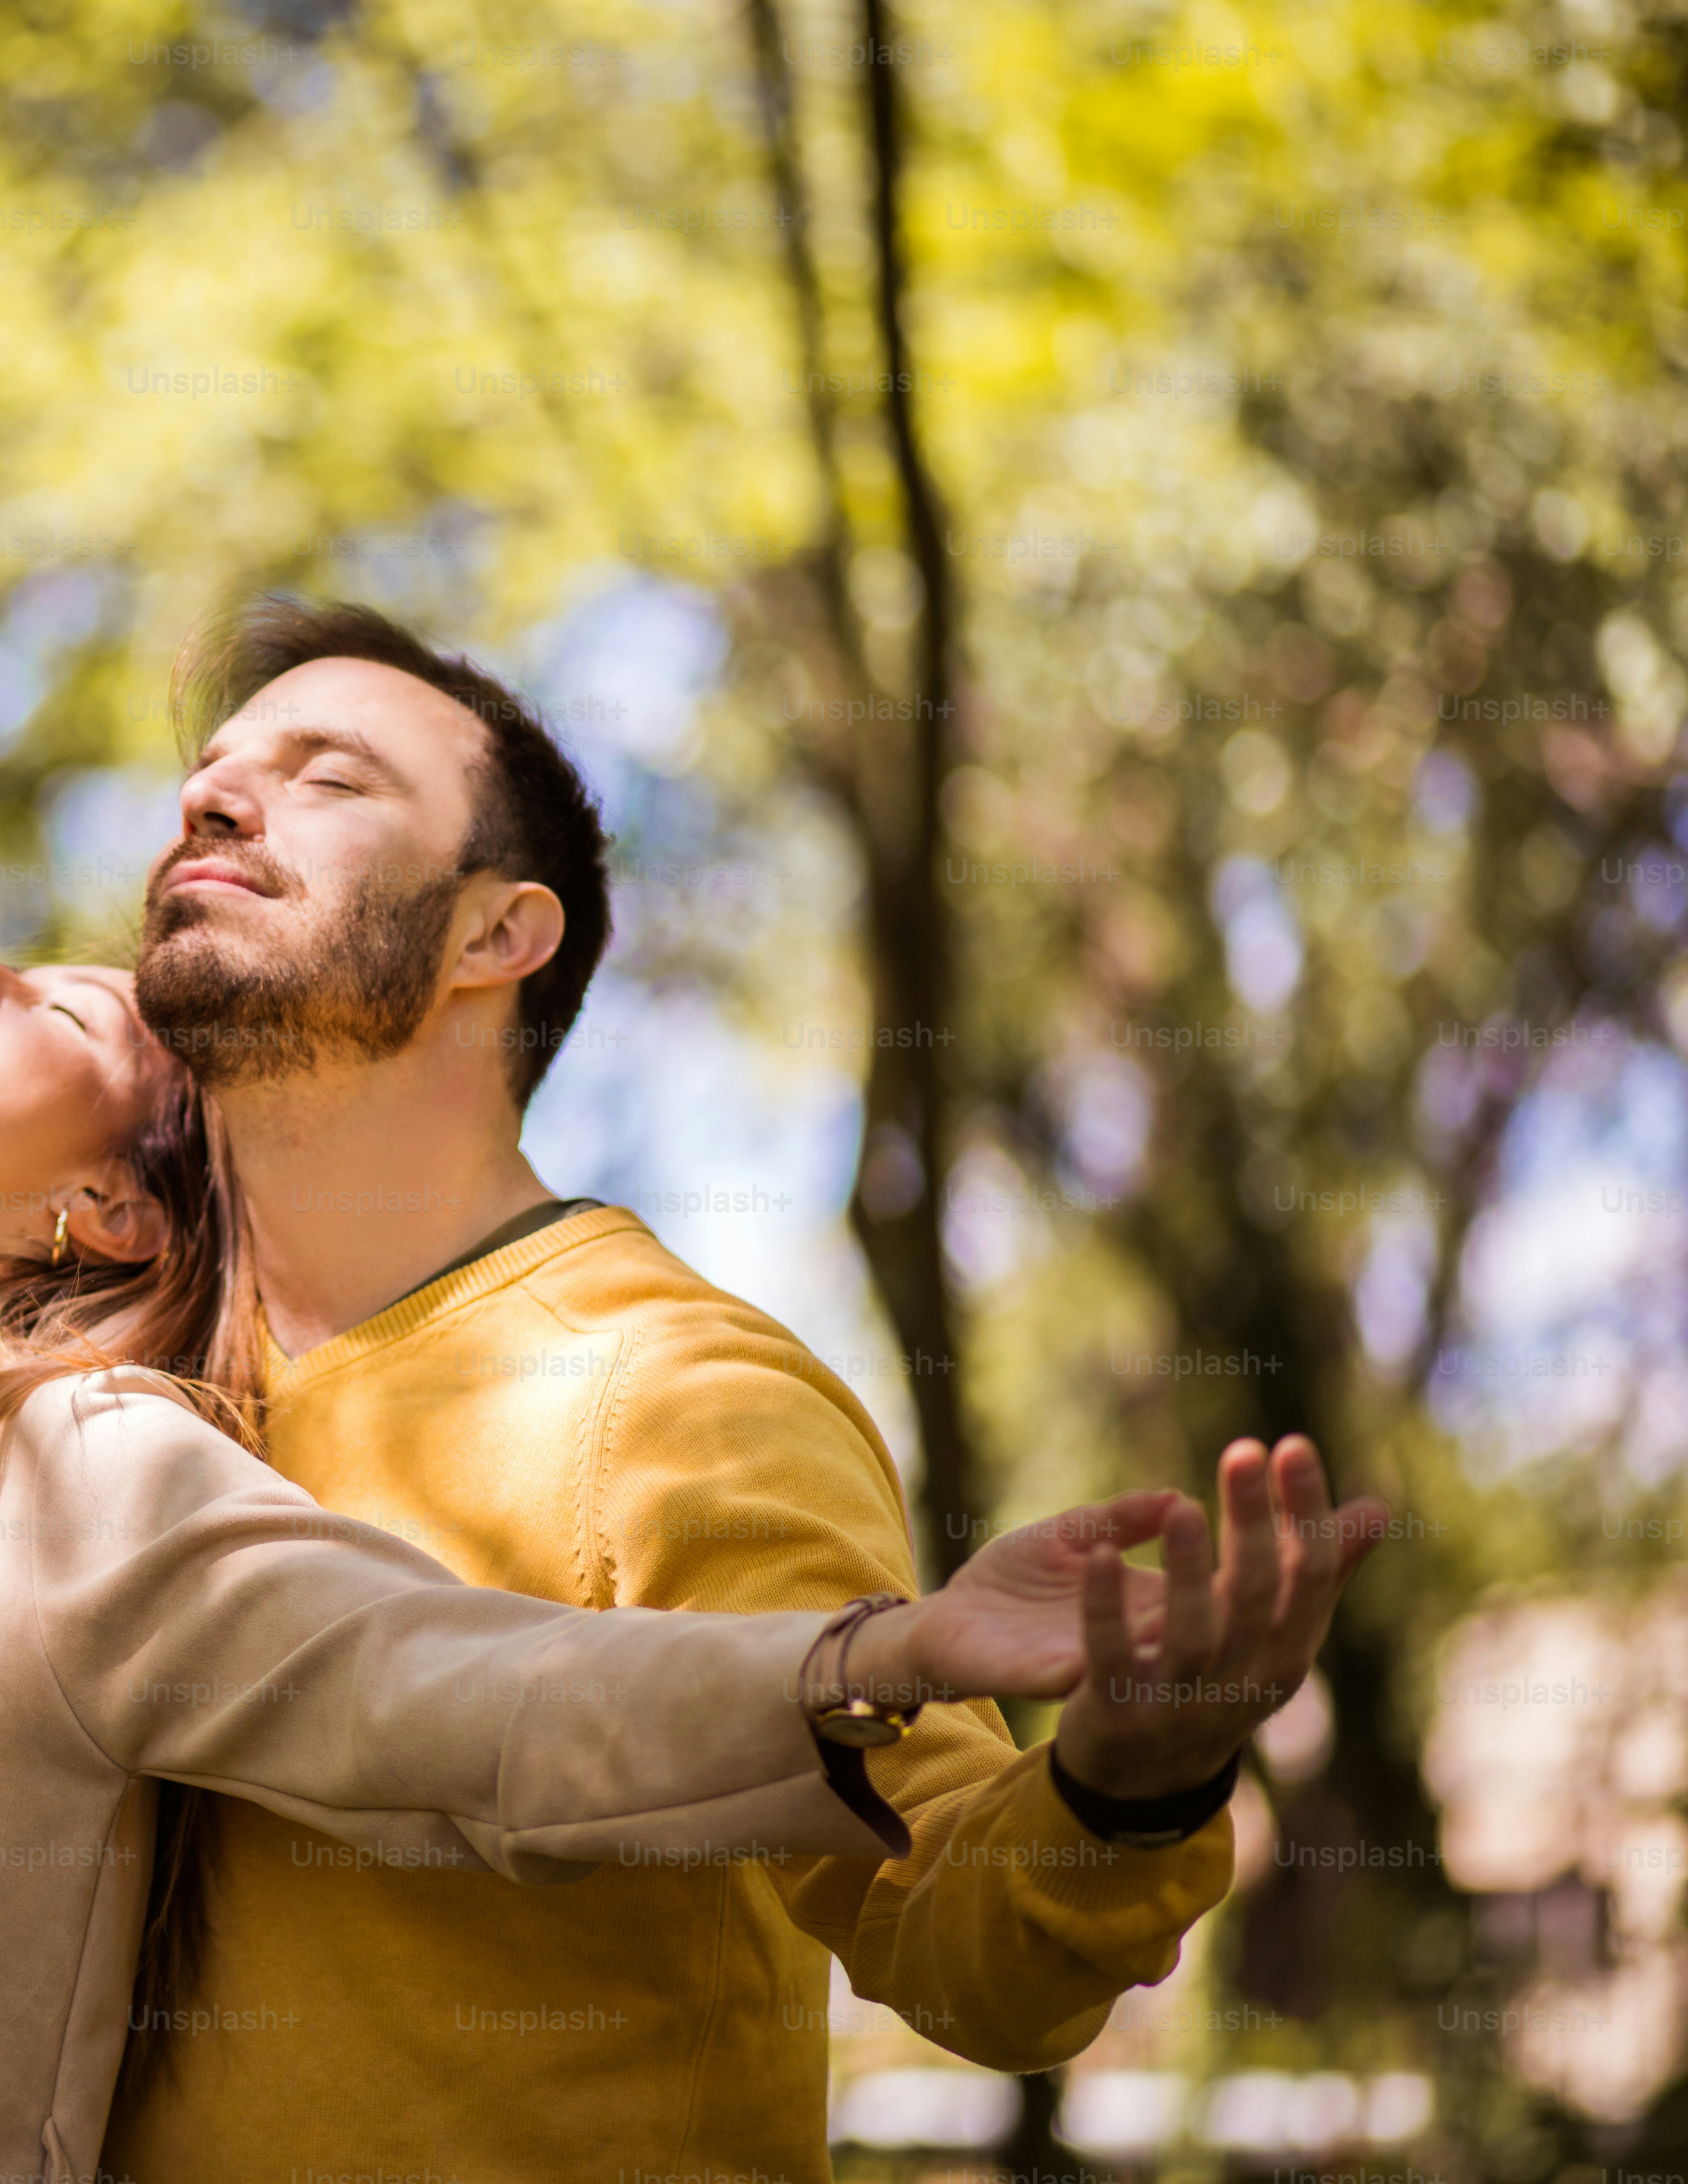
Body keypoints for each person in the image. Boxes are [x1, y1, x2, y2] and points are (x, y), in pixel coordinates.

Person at [0, 944, 1384, 2184]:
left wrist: (888, 1648)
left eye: (58, 1009)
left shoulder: (79, 1477)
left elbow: (469, 1701)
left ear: (105, 1219)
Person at [102, 595, 1374, 2182]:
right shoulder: (111, 1379)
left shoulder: (671, 1392)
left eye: (329, 776)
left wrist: (1129, 1781)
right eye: (214, 771)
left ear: (496, 934)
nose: (208, 800)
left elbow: (957, 1941)